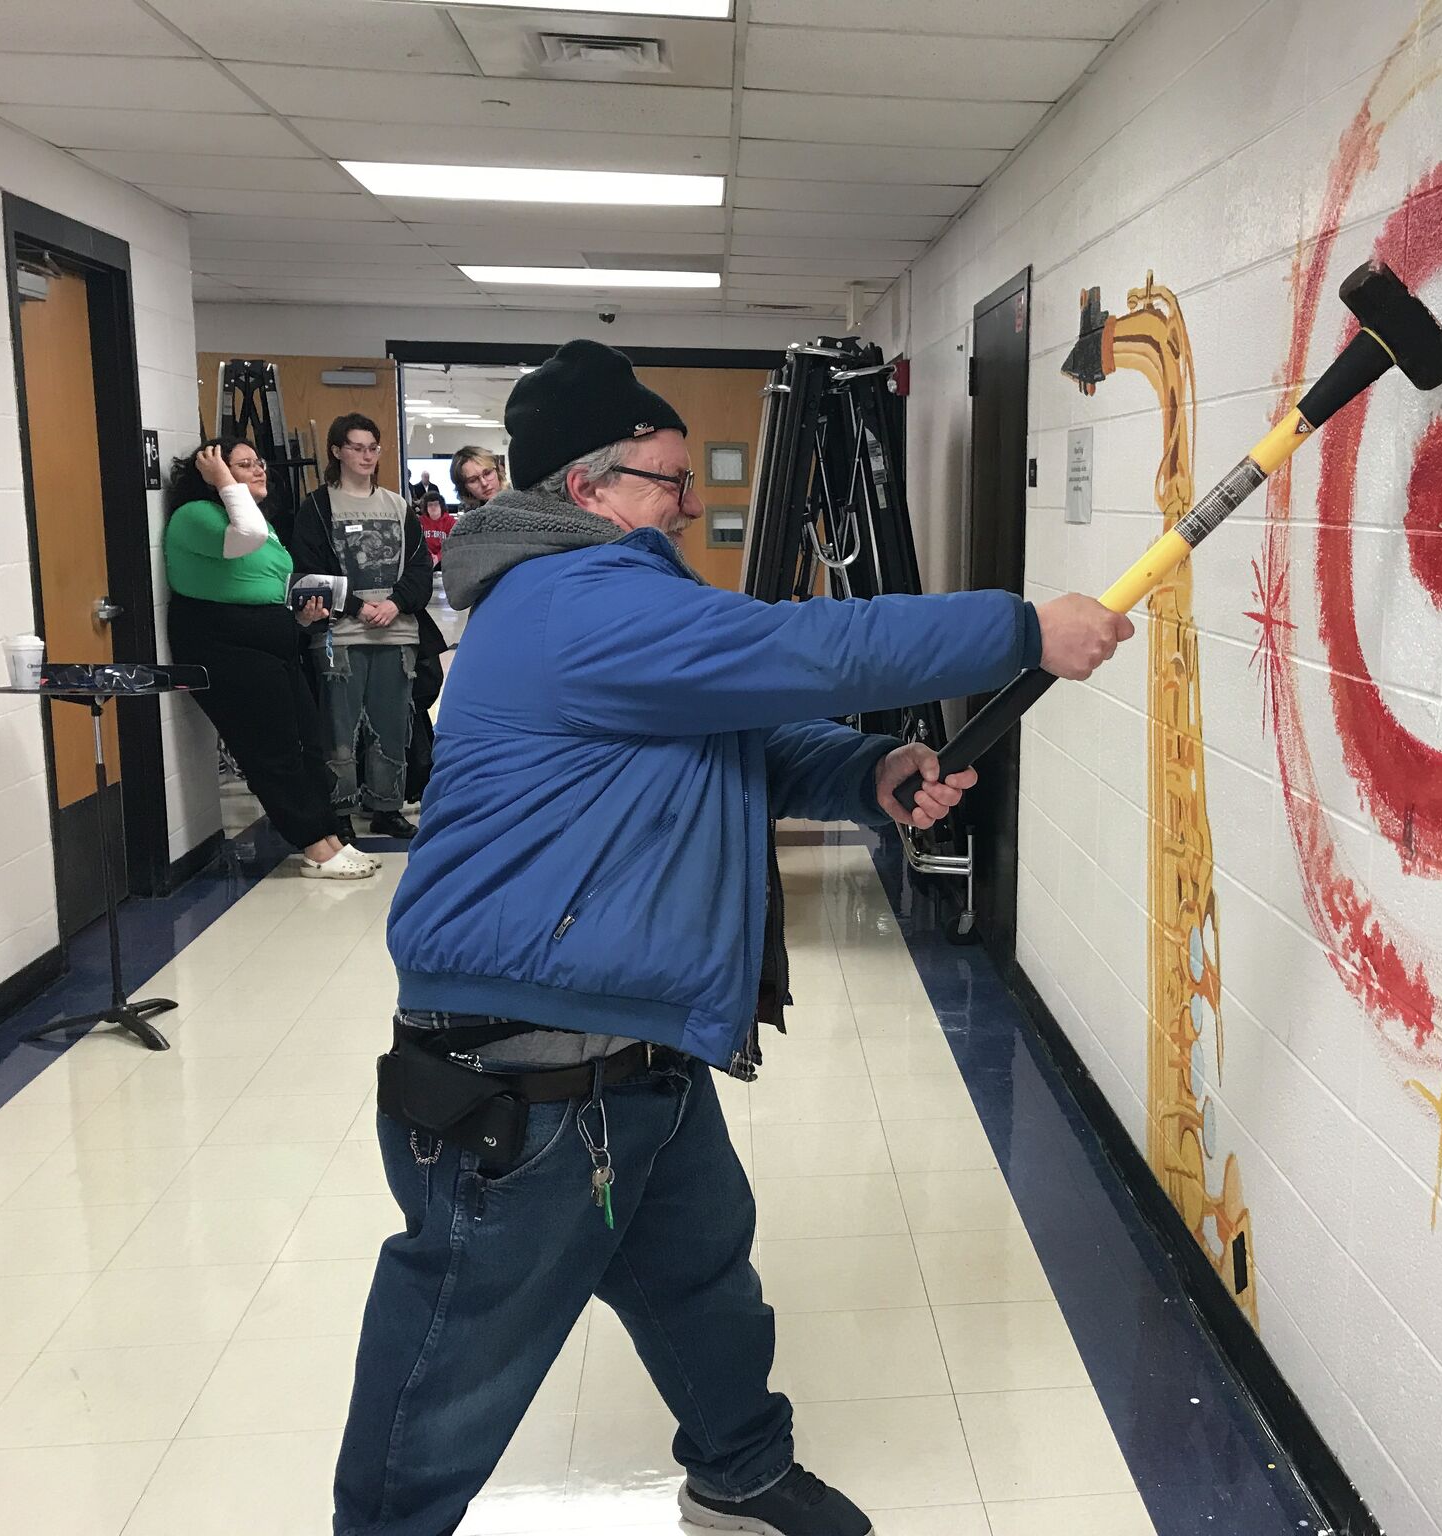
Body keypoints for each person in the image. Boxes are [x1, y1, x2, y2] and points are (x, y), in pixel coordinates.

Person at [334, 341, 1134, 1536]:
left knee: (704, 1277)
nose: (684, 507)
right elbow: (798, 653)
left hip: (631, 1043)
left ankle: (740, 1473)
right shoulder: (574, 600)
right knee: (452, 1352)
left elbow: (737, 737)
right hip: (527, 1064)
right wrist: (1020, 629)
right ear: (587, 489)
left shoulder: (602, 602)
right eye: (666, 480)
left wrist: (878, 770)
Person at [162, 440, 378, 880]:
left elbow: (266, 582)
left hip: (272, 644)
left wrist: (300, 617)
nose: (259, 470)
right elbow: (248, 536)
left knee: (307, 743)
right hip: (225, 647)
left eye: (259, 462)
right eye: (244, 464)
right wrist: (222, 478)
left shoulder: (256, 522)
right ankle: (313, 845)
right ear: (211, 475)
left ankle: (328, 834)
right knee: (272, 749)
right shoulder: (196, 517)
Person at [291, 413, 433, 840]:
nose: (367, 455)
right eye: (357, 447)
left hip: (397, 633)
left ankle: (387, 806)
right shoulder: (317, 507)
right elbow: (308, 572)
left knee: (391, 726)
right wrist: (356, 606)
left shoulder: (398, 505)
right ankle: (340, 811)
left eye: (373, 447)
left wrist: (395, 603)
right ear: (337, 451)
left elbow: (421, 566)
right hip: (341, 637)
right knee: (339, 729)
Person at [449, 443, 506, 510]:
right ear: (464, 489)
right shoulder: (468, 519)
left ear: (497, 471)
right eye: (473, 480)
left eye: (487, 473)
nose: (484, 483)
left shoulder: (519, 503)